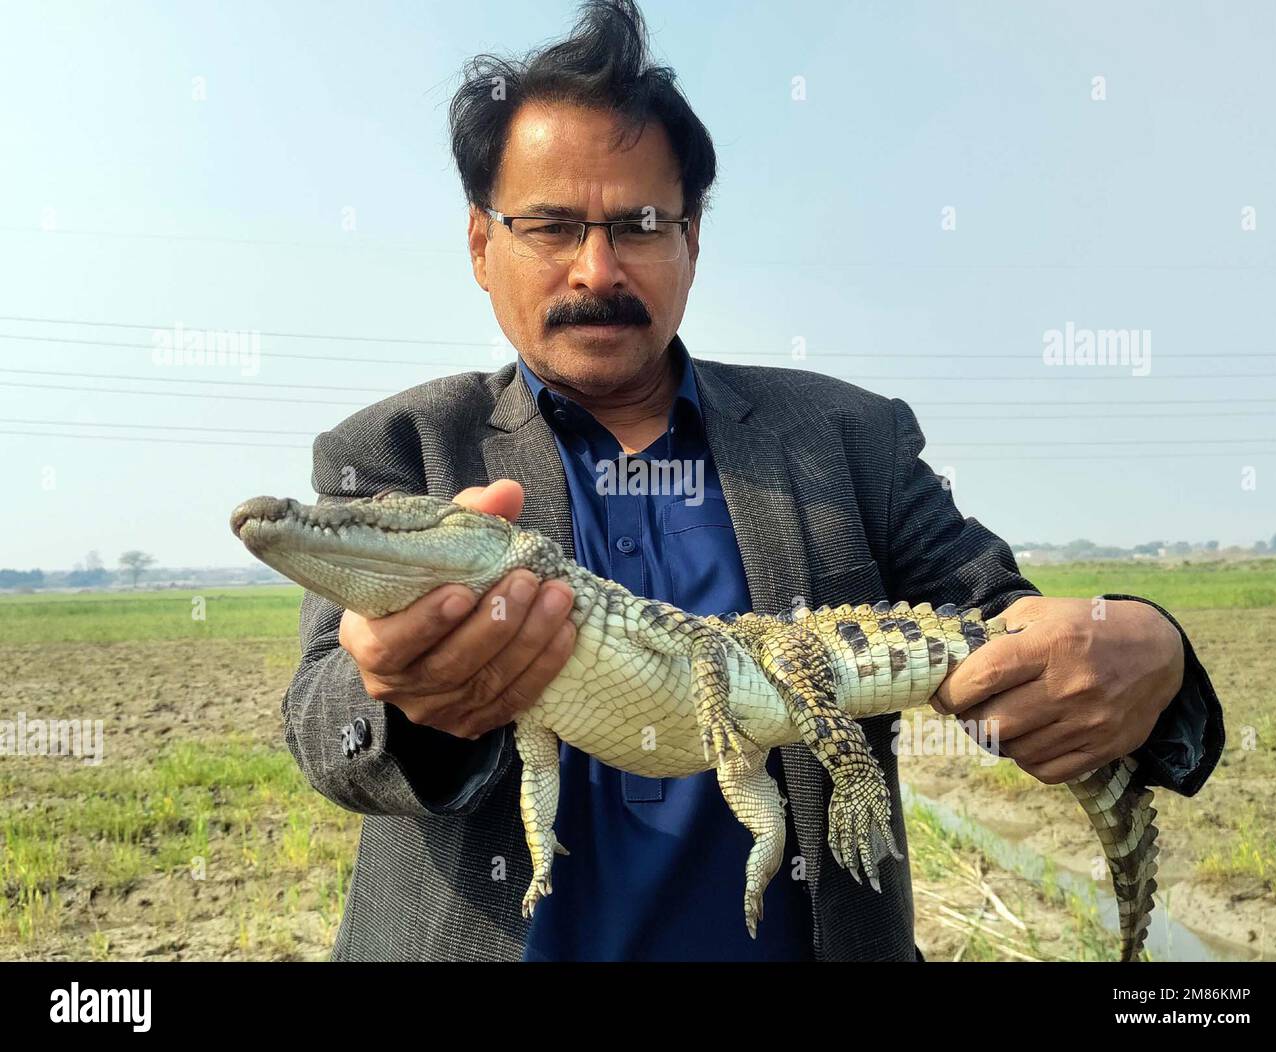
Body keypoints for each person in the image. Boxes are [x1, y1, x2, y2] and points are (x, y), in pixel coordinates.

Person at [282, 0, 1223, 961]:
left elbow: (1005, 621)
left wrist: (1150, 646)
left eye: (640, 224)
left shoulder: (846, 437)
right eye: (552, 225)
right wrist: (413, 696)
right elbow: (325, 724)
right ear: (482, 243)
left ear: (693, 238)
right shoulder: (399, 451)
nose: (596, 269)